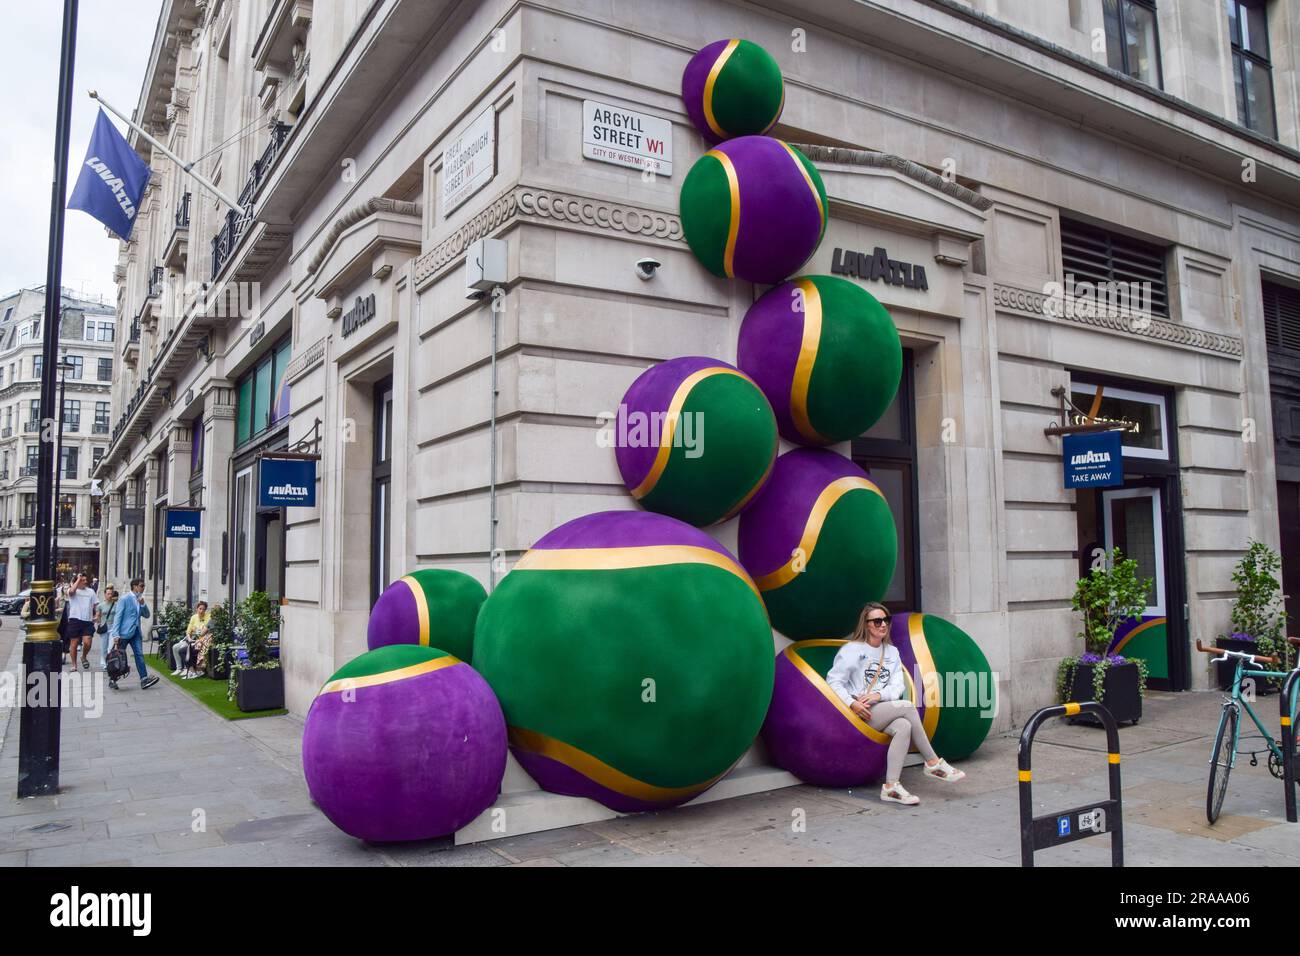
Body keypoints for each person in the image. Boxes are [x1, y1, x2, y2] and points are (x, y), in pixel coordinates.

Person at [827, 603, 967, 805]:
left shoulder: (891, 652)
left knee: (904, 726)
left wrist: (878, 695)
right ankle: (932, 762)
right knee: (908, 707)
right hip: (856, 715)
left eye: (886, 620)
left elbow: (897, 686)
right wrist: (851, 703)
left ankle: (891, 787)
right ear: (866, 625)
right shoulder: (852, 650)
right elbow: (833, 681)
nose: (883, 625)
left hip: (878, 709)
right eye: (877, 621)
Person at [109, 577, 159, 690]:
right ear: (135, 586)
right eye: (142, 586)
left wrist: (142, 604)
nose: (143, 588)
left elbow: (147, 615)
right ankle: (112, 679)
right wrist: (115, 634)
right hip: (124, 633)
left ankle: (144, 679)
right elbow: (118, 616)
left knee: (139, 655)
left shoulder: (140, 599)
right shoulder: (124, 599)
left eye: (144, 586)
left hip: (136, 632)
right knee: (118, 657)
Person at [64, 571, 98, 670]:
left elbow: (96, 604)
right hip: (75, 619)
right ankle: (74, 665)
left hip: (87, 620)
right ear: (77, 582)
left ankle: (83, 656)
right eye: (82, 580)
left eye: (85, 580)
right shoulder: (72, 591)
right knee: (74, 643)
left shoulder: (90, 591)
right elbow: (71, 592)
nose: (85, 582)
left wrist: (97, 615)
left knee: (88, 642)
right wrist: (78, 578)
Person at [173, 600, 211, 679]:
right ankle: (179, 668)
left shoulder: (208, 617)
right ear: (197, 609)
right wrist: (189, 638)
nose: (201, 611)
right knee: (175, 647)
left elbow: (204, 632)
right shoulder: (194, 617)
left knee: (183, 650)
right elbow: (188, 631)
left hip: (200, 641)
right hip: (192, 639)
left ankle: (188, 669)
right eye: (200, 609)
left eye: (203, 609)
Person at [94, 585, 120, 670]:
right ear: (105, 594)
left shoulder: (116, 605)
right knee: (103, 646)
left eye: (111, 594)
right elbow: (98, 616)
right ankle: (103, 662)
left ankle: (109, 661)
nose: (110, 595)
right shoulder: (100, 606)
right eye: (108, 594)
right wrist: (99, 623)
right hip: (104, 627)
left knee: (110, 647)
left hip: (113, 627)